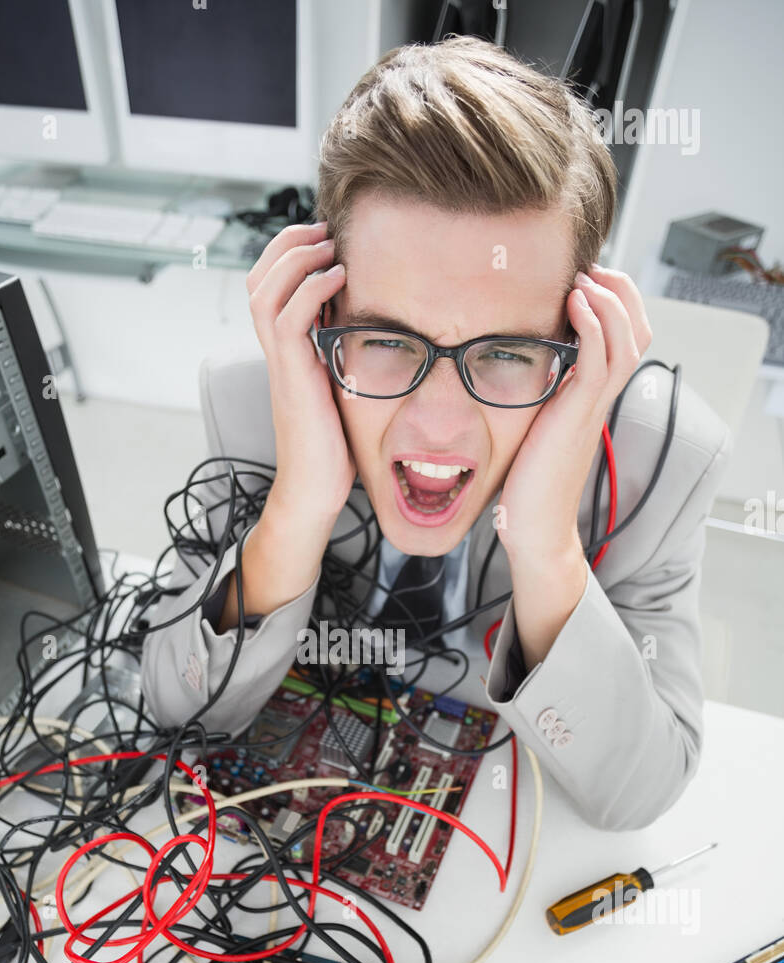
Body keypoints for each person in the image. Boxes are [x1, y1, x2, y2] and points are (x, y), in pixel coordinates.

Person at [141, 37, 730, 831]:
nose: (439, 424)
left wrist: (547, 549)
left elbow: (638, 794)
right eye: (386, 340)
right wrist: (297, 508)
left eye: (510, 352)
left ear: (581, 342)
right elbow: (178, 712)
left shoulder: (668, 459)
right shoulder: (253, 400)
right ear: (323, 313)